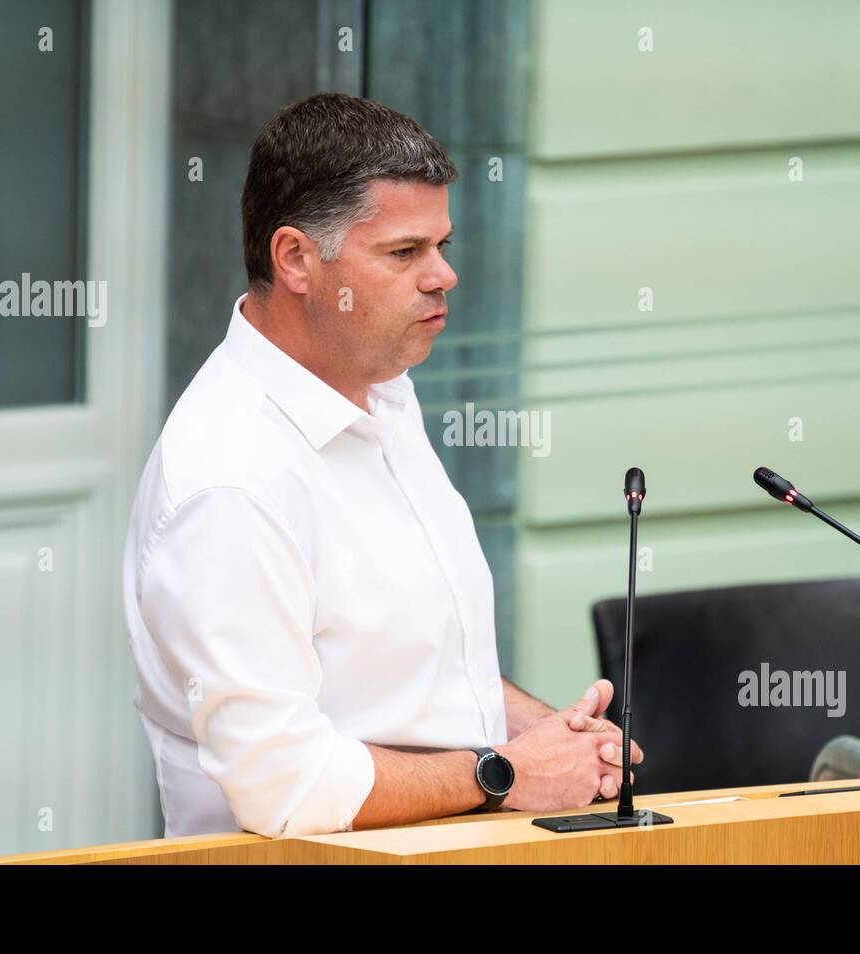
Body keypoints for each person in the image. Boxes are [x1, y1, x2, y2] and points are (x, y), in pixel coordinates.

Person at [122, 92, 643, 839]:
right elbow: (285, 788)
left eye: (443, 246)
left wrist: (550, 735)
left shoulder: (382, 391)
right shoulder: (229, 480)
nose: (443, 277)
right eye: (404, 253)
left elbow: (408, 669)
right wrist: (506, 772)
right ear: (297, 259)